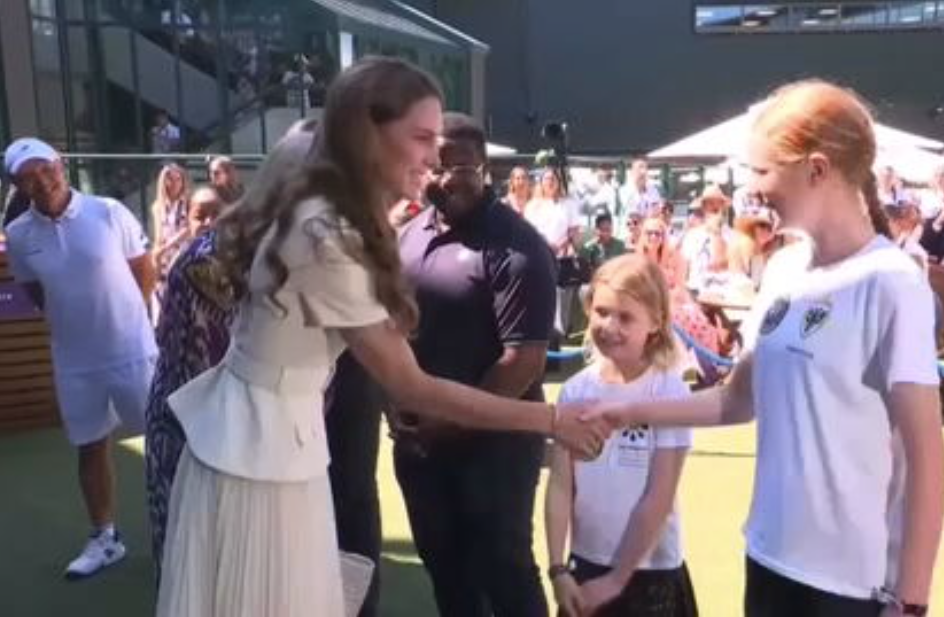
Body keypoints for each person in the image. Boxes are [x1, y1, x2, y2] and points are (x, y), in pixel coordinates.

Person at [155, 57, 606, 617]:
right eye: (420, 137)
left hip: (272, 446)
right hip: (258, 457)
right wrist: (552, 419)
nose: (432, 156)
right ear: (368, 133)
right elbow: (409, 384)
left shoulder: (331, 211)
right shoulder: (326, 234)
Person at [582, 80, 944, 617]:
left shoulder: (892, 282)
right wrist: (624, 408)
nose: (752, 188)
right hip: (768, 558)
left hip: (850, 587)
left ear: (816, 170)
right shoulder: (782, 269)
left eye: (762, 170)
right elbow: (735, 401)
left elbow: (926, 456)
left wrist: (911, 600)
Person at [392, 112, 557, 617]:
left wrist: (449, 420)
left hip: (496, 447)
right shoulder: (410, 234)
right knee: (445, 569)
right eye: (435, 167)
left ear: (484, 169)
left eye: (460, 167)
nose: (446, 179)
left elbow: (523, 360)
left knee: (503, 570)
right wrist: (396, 405)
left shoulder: (518, 246)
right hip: (420, 445)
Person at [144, 131, 311, 581]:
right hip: (198, 424)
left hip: (241, 426)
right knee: (200, 565)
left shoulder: (282, 249)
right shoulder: (219, 256)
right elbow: (209, 369)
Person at [3, 137, 157, 579]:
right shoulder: (17, 234)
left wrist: (130, 324)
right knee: (89, 446)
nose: (42, 180)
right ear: (19, 184)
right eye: (29, 176)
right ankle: (105, 538)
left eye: (46, 169)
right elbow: (35, 290)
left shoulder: (108, 211)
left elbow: (143, 270)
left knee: (162, 443)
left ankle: (182, 530)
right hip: (74, 360)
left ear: (61, 165)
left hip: (132, 351)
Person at [546, 254, 697, 617]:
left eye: (625, 317)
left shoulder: (669, 393)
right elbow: (561, 486)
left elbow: (658, 497)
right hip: (584, 567)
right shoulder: (575, 392)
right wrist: (558, 569)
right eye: (601, 312)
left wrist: (618, 578)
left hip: (649, 573)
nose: (609, 326)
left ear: (656, 322)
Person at [525, 166, 583, 337]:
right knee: (541, 298)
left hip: (562, 257)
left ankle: (561, 335)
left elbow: (574, 229)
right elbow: (529, 231)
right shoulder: (532, 206)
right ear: (541, 183)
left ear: (558, 182)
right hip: (539, 256)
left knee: (562, 300)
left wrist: (560, 245)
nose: (550, 182)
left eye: (553, 179)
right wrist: (546, 245)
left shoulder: (568, 204)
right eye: (547, 179)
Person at [150, 163, 192, 322]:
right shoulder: (157, 207)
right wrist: (156, 257)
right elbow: (159, 237)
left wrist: (167, 247)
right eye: (170, 179)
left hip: (183, 254)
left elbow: (188, 230)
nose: (174, 183)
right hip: (164, 258)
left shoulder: (188, 203)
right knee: (159, 296)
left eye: (178, 179)